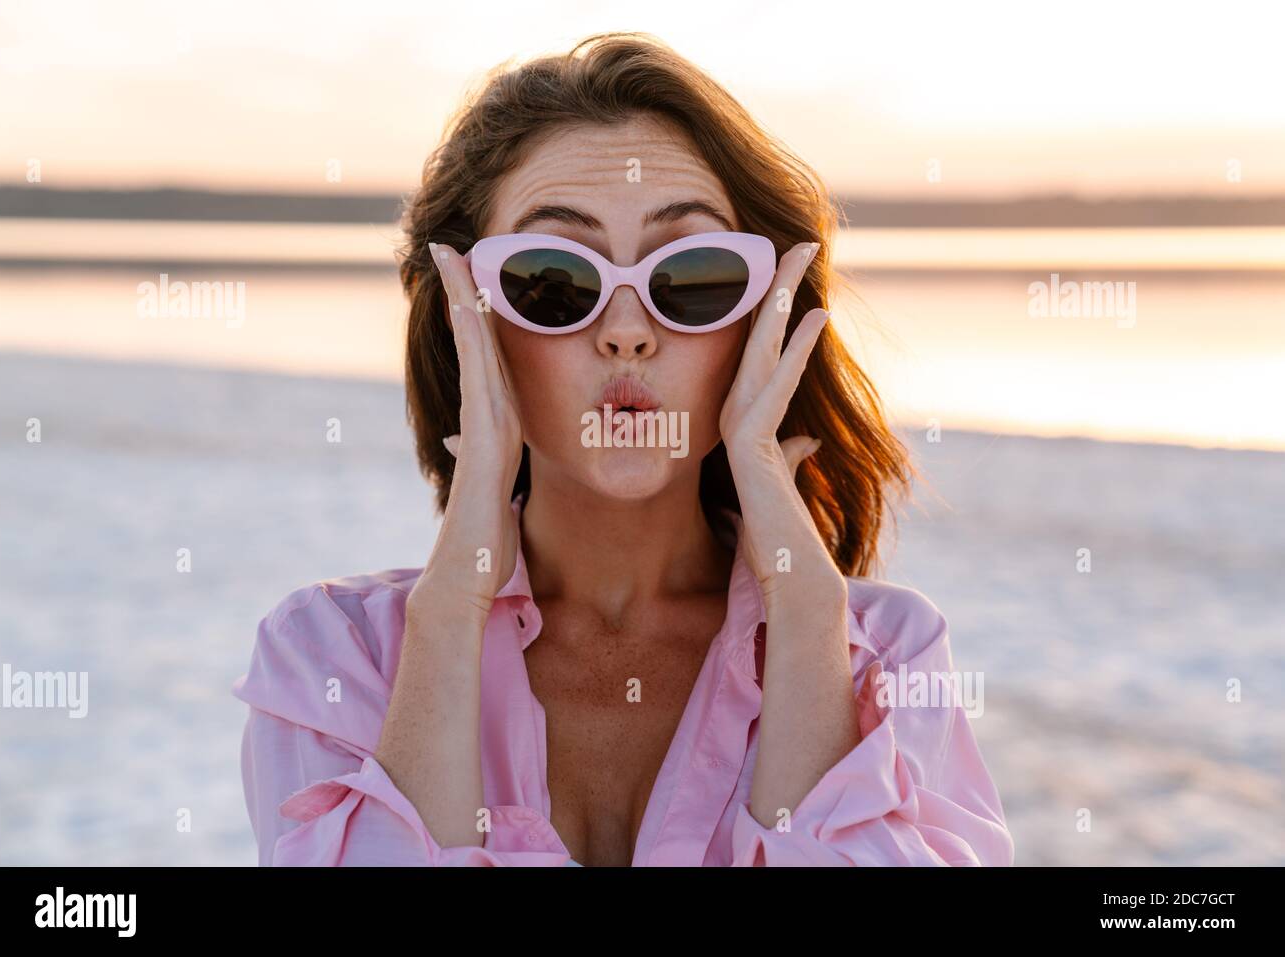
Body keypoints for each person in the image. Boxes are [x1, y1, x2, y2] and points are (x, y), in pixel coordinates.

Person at [232, 31, 1014, 867]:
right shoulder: (333, 657)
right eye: (554, 279)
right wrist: (449, 613)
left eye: (694, 275)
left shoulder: (885, 659)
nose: (630, 332)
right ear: (470, 318)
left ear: (763, 319)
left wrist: (808, 621)